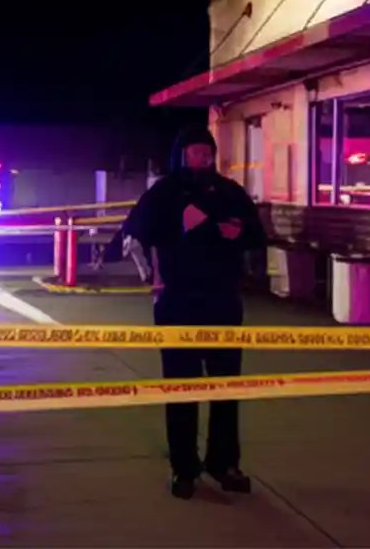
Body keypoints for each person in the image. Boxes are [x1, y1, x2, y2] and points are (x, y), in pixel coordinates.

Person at [121, 125, 266, 500]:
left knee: (226, 387)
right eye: (195, 153)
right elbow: (136, 233)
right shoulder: (164, 193)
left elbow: (255, 233)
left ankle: (224, 463)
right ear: (180, 155)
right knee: (182, 387)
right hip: (178, 301)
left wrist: (238, 232)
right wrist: (183, 229)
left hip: (222, 300)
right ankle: (183, 468)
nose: (203, 159)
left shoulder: (230, 192)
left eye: (207, 153)